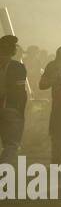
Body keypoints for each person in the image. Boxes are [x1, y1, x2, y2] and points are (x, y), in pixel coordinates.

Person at [0, 34, 29, 164]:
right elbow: (20, 92)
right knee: (11, 144)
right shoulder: (17, 67)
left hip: (8, 108)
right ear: (13, 51)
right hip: (10, 108)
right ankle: (3, 175)